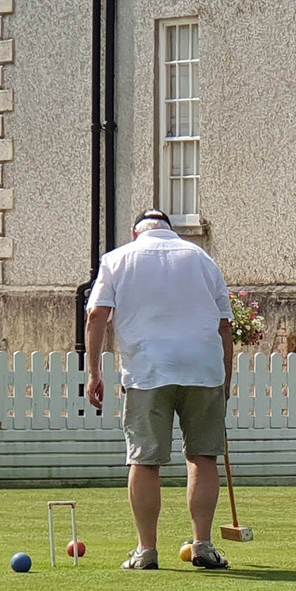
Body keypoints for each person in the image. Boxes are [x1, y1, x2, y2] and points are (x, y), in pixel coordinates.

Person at [84, 207, 235, 571]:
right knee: (203, 457)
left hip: (148, 369)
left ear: (136, 233)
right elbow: (225, 325)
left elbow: (95, 315)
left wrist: (94, 373)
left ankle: (146, 551)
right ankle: (203, 544)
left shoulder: (117, 259)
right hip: (203, 367)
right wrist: (225, 380)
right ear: (172, 232)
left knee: (145, 459)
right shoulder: (201, 258)